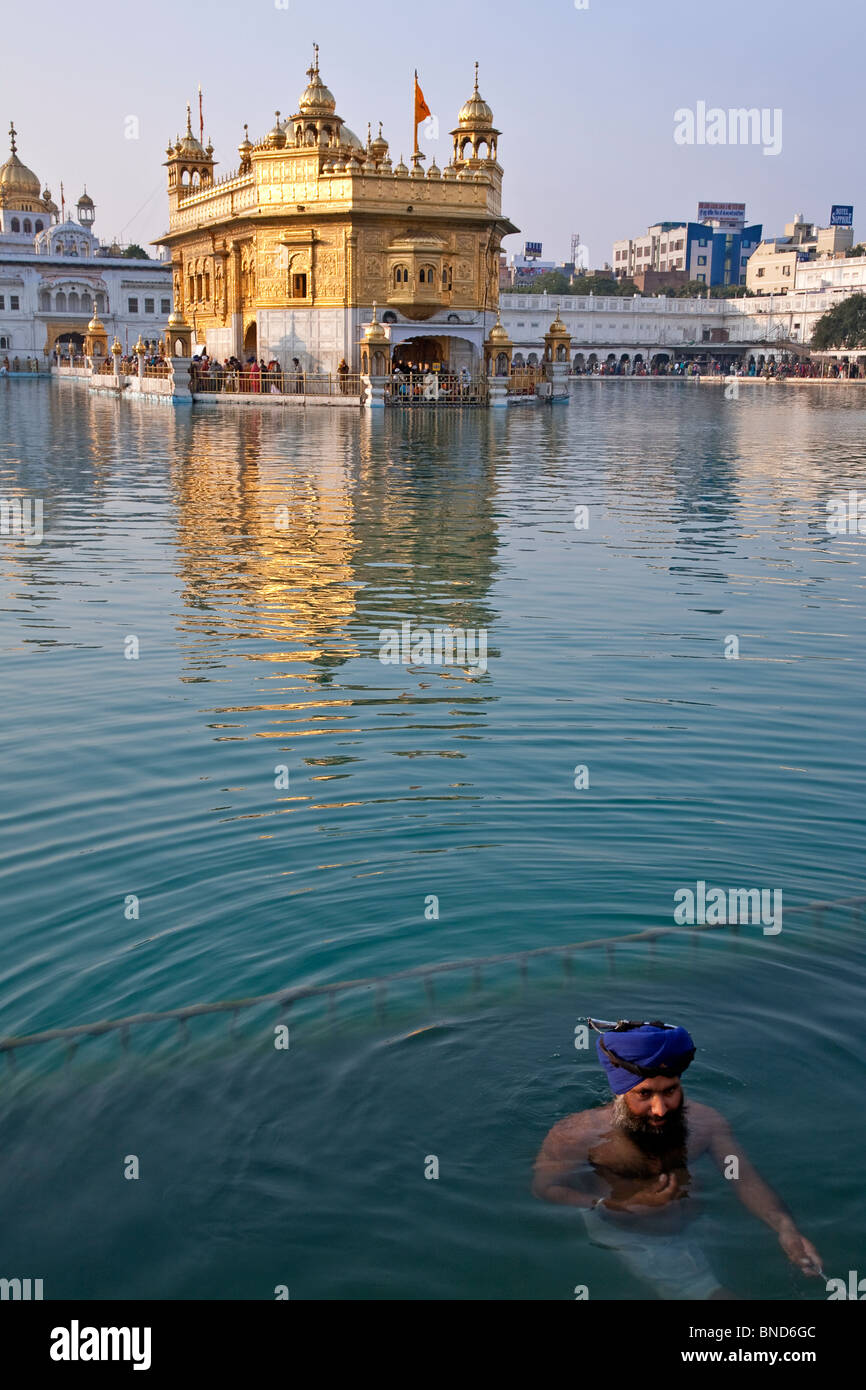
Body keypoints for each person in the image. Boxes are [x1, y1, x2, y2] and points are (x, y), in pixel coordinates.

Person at [532, 1019, 822, 1300]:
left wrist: (785, 1228)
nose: (660, 1108)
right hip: (635, 1232)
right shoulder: (576, 1134)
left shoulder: (706, 1122)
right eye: (644, 1094)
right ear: (619, 1092)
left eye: (670, 1090)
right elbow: (545, 1188)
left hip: (695, 1217)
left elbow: (741, 1177)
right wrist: (617, 1206)